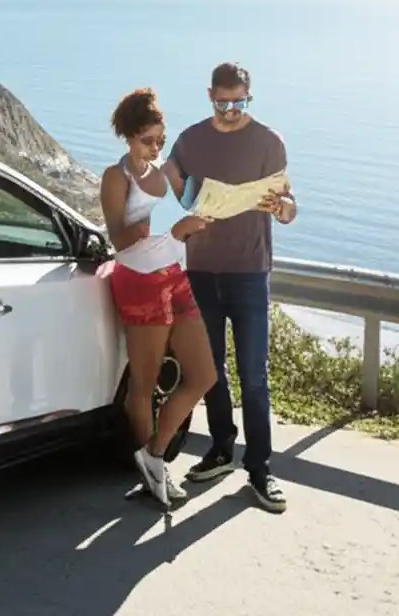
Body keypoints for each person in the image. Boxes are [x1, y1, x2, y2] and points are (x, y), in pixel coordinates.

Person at [162, 62, 297, 513]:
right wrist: (185, 201)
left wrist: (283, 208)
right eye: (223, 102)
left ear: (249, 97)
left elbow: (291, 204)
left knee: (254, 376)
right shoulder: (190, 139)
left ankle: (260, 469)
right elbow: (168, 178)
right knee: (210, 369)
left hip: (250, 273)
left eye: (239, 101)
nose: (231, 109)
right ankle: (220, 449)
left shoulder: (269, 141)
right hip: (201, 271)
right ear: (210, 96)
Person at [99, 87, 218, 508]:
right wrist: (177, 233)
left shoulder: (158, 169)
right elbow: (121, 239)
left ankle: (153, 456)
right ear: (129, 136)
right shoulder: (117, 177)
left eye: (160, 140)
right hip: (139, 279)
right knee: (143, 386)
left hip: (170, 272)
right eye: (147, 140)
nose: (154, 147)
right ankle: (154, 467)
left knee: (204, 375)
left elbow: (191, 195)